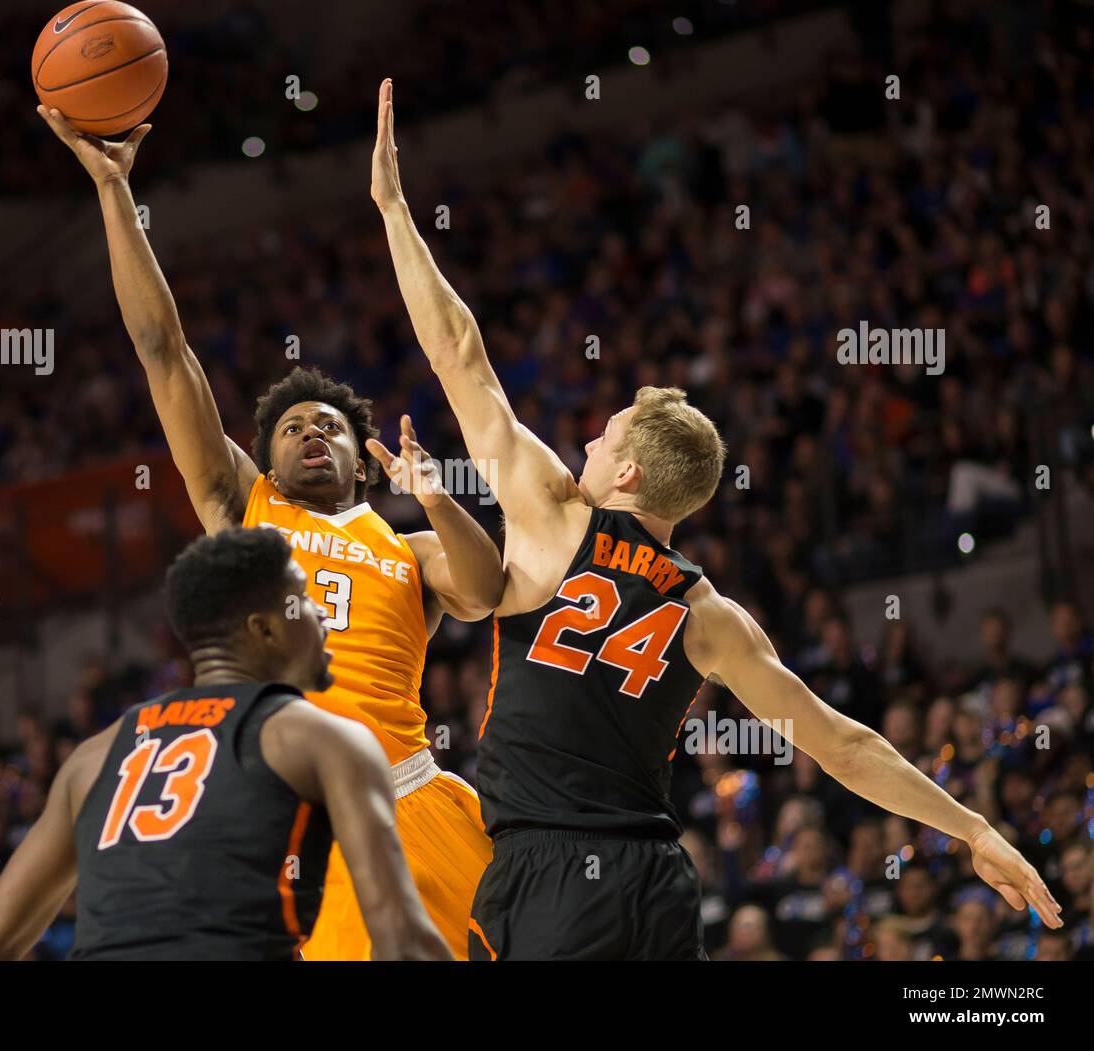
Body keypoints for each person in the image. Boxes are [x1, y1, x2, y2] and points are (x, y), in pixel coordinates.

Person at [368, 78, 1065, 960]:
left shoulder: (550, 513)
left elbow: (457, 351)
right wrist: (972, 828)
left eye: (604, 431)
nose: (585, 437)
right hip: (656, 878)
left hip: (549, 873)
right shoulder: (712, 616)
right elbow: (842, 746)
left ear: (625, 470)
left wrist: (394, 207)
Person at [35, 106, 501, 959]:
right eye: (291, 428)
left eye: (328, 425)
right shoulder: (246, 507)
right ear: (266, 459)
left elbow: (484, 590)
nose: (309, 432)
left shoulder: (409, 546)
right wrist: (115, 193)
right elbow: (162, 350)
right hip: (272, 799)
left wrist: (437, 498)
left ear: (363, 462)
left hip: (404, 793)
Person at [0, 527, 450, 961]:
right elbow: (404, 943)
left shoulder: (94, 757)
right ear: (264, 628)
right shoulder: (320, 739)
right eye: (303, 598)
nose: (322, 613)